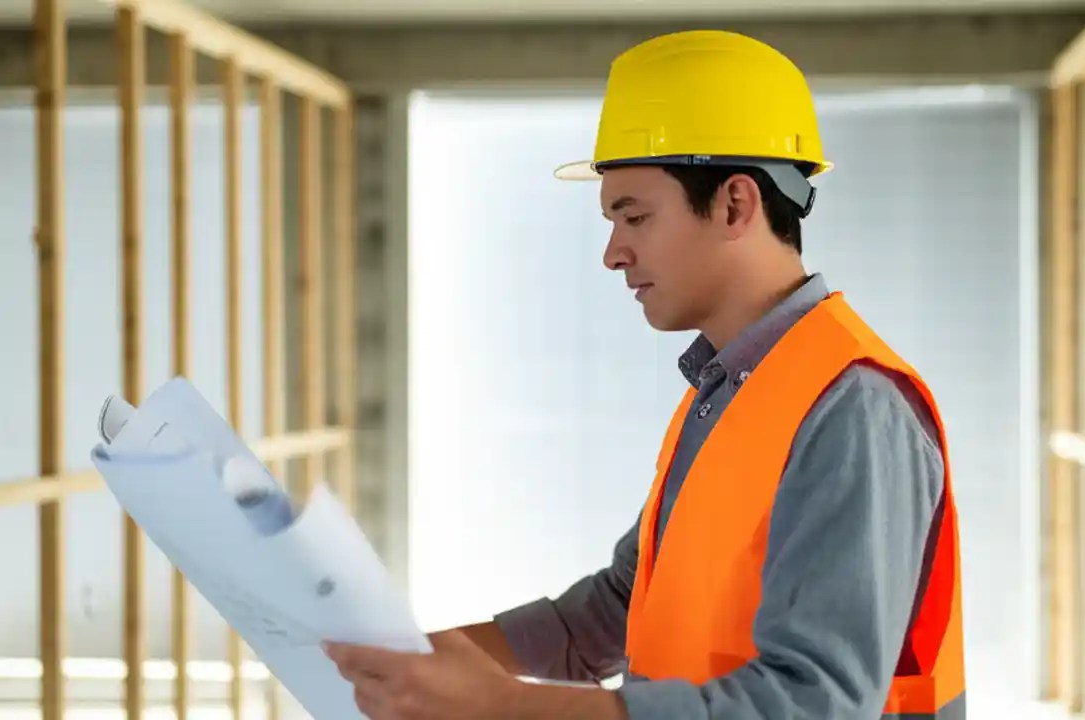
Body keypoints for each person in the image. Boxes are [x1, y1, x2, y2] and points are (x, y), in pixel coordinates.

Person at [325, 29, 966, 720]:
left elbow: (812, 703)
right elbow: (619, 608)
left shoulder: (852, 408)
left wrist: (504, 707)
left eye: (634, 216)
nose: (612, 253)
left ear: (735, 205)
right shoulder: (733, 390)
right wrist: (415, 665)